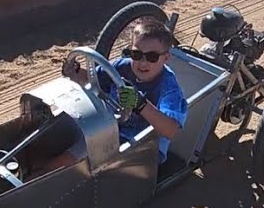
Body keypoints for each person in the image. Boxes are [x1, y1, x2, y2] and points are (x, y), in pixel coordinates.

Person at [36, 17, 189, 173]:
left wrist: (141, 104)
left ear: (166, 58)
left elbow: (170, 130)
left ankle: (40, 177)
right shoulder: (122, 66)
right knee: (58, 132)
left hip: (142, 147)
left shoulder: (169, 89)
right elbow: (92, 79)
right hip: (108, 128)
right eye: (136, 54)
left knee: (71, 159)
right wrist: (74, 72)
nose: (143, 62)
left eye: (152, 57)